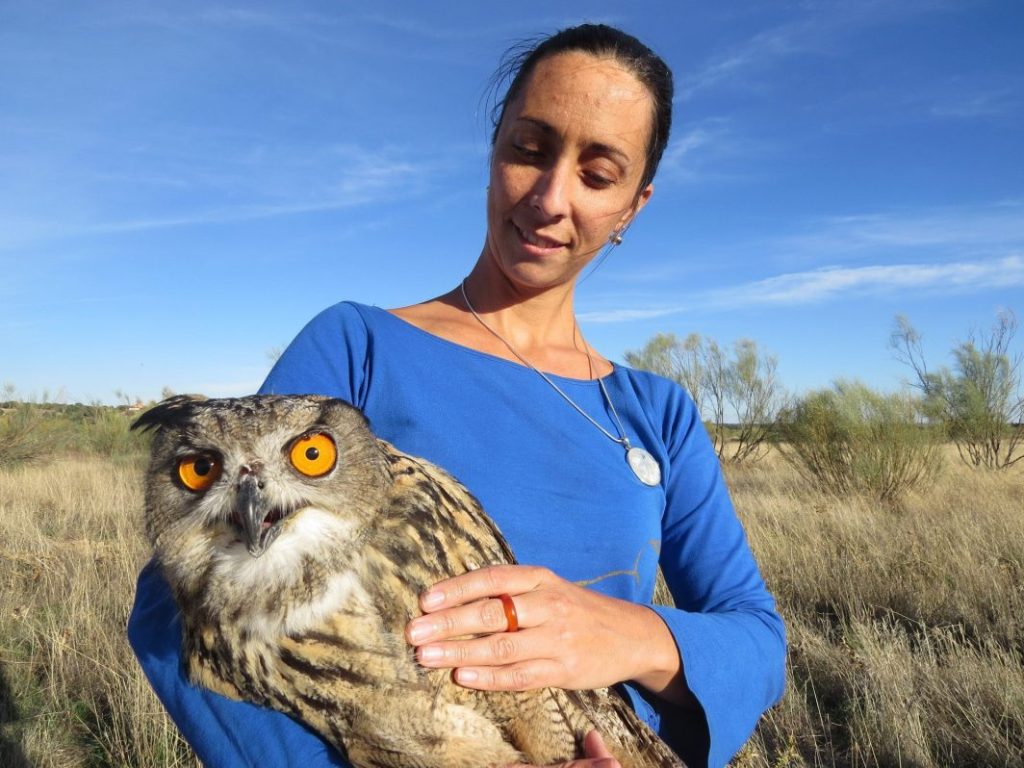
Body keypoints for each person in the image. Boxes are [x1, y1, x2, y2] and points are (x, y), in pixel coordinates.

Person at [128, 23, 786, 768]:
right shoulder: (359, 347)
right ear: (493, 148)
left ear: (633, 206)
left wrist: (627, 632)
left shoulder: (656, 410)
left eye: (598, 175)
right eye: (529, 150)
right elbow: (182, 605)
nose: (549, 198)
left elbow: (757, 640)